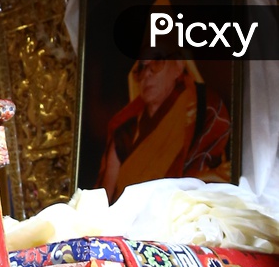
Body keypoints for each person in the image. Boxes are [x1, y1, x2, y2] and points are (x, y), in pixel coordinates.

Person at [97, 54, 231, 203]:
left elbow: (205, 180)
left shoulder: (204, 111)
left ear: (179, 66)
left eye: (157, 61)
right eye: (141, 67)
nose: (146, 74)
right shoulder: (125, 133)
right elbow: (104, 200)